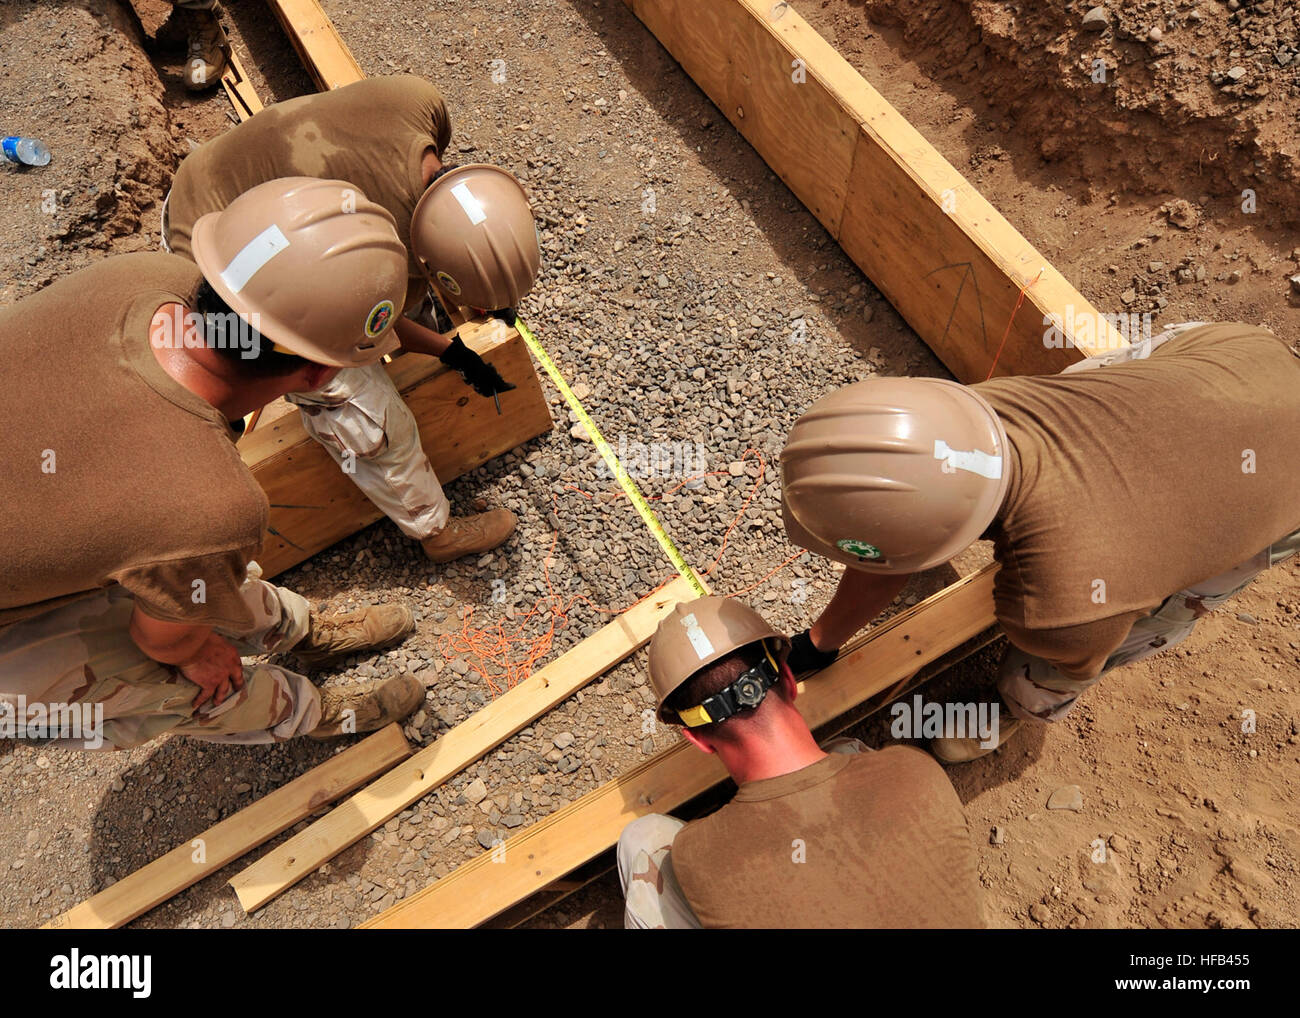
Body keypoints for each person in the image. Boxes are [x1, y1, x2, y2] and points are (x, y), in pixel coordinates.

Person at [0, 178, 430, 750]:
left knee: (192, 573)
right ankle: (304, 711)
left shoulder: (143, 278)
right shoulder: (207, 507)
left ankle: (301, 631)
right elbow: (165, 636)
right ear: (323, 372)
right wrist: (193, 651)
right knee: (181, 673)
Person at [781, 323, 1300, 762]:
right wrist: (819, 644)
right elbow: (891, 538)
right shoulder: (955, 417)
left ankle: (1015, 708)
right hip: (1241, 355)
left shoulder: (1057, 613)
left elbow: (1079, 653)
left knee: (1073, 660)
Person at [162, 75, 541, 563]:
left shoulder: (420, 101)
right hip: (219, 248)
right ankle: (435, 533)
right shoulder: (372, 245)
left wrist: (448, 345)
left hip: (224, 180)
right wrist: (442, 347)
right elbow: (357, 317)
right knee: (361, 407)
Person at [616, 596, 984, 929]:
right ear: (789, 680)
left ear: (696, 739)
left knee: (642, 839)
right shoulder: (914, 770)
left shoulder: (698, 857)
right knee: (845, 751)